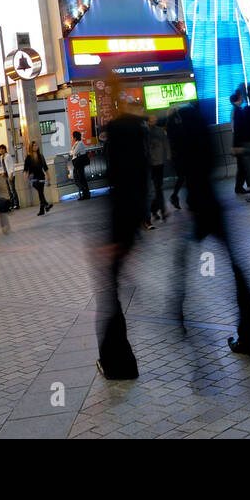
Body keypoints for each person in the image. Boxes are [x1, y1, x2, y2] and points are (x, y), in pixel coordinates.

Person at [168, 101, 250, 358]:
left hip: (198, 208)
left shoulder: (183, 136)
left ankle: (177, 314)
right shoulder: (205, 133)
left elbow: (181, 165)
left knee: (182, 263)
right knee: (237, 268)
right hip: (215, 205)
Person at [94, 91, 148, 379]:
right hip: (129, 222)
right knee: (111, 294)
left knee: (109, 296)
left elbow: (117, 185)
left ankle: (119, 364)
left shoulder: (118, 137)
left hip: (119, 226)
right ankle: (120, 362)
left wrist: (112, 239)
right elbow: (139, 182)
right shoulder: (136, 137)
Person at [146, 115, 169, 224]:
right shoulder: (147, 132)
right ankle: (161, 211)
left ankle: (155, 210)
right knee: (158, 188)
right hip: (154, 163)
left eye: (154, 118)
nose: (154, 120)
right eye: (151, 119)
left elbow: (165, 143)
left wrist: (168, 154)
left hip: (157, 162)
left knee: (158, 188)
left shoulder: (154, 131)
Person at [24, 140, 52, 217]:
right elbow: (25, 169)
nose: (35, 147)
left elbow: (45, 167)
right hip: (32, 178)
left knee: (40, 192)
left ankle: (42, 210)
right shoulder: (28, 157)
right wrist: (26, 177)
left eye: (36, 145)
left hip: (41, 176)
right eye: (34, 145)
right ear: (31, 147)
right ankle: (46, 204)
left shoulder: (41, 156)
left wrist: (48, 176)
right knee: (40, 191)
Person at [69, 131, 92, 201]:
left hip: (79, 162)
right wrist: (72, 152)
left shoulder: (80, 143)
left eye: (73, 136)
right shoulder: (76, 144)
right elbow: (70, 152)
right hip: (77, 163)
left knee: (81, 178)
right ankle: (85, 191)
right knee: (77, 178)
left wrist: (72, 152)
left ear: (75, 137)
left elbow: (74, 152)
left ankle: (86, 193)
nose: (72, 138)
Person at [0, 144, 21, 211]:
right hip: (6, 175)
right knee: (9, 190)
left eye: (2, 149)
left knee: (13, 190)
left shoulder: (8, 156)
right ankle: (12, 204)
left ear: (5, 149)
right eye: (0, 149)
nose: (1, 150)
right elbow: (3, 166)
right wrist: (3, 173)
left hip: (10, 175)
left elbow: (11, 166)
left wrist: (11, 174)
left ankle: (17, 204)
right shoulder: (1, 157)